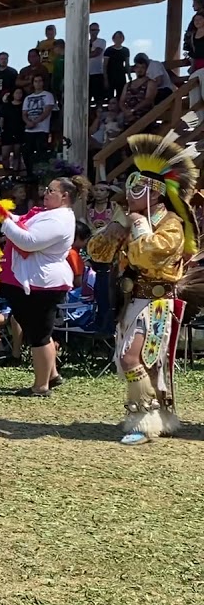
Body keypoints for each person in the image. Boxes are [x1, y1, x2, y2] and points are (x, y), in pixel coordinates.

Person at [86, 133, 198, 444]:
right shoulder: (129, 220)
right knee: (140, 362)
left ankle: (144, 418)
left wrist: (137, 225)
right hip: (132, 300)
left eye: (135, 189)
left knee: (133, 359)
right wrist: (114, 228)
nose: (129, 195)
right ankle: (156, 415)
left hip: (158, 303)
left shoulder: (172, 224)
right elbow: (97, 253)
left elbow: (151, 256)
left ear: (154, 193)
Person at [0, 175, 86, 397]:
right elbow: (23, 222)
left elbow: (29, 241)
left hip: (44, 284)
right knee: (37, 331)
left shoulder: (59, 219)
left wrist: (4, 221)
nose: (45, 193)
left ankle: (40, 386)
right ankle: (52, 375)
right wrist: (6, 214)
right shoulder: (52, 215)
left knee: (39, 335)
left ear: (64, 196)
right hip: (37, 281)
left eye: (51, 190)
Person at [22, 75, 56, 174]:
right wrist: (28, 122)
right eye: (36, 81)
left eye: (40, 81)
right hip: (29, 130)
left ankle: (41, 173)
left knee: (41, 152)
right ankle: (29, 173)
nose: (38, 83)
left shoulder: (48, 95)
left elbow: (47, 111)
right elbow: (24, 113)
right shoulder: (28, 98)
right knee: (26, 152)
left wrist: (35, 122)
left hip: (42, 129)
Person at [103, 30, 131, 104]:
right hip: (110, 75)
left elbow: (127, 64)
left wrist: (129, 76)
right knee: (110, 96)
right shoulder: (108, 50)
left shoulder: (126, 50)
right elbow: (105, 65)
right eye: (117, 37)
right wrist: (105, 79)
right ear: (113, 39)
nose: (118, 39)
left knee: (121, 96)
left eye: (120, 37)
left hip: (121, 76)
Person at [88, 22, 108, 106]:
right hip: (85, 74)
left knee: (99, 99)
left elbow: (96, 53)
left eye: (96, 30)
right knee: (85, 98)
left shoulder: (101, 41)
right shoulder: (85, 42)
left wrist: (83, 55)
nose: (94, 32)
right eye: (92, 30)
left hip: (97, 73)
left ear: (98, 31)